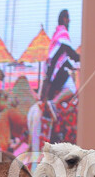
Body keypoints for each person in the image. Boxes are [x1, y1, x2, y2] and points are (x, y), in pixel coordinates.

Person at [29, 9, 80, 150]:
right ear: (64, 19)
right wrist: (80, 59)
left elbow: (63, 57)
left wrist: (74, 65)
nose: (69, 21)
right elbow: (70, 52)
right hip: (56, 74)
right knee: (72, 89)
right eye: (68, 18)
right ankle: (54, 103)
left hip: (53, 75)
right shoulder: (63, 32)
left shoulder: (56, 34)